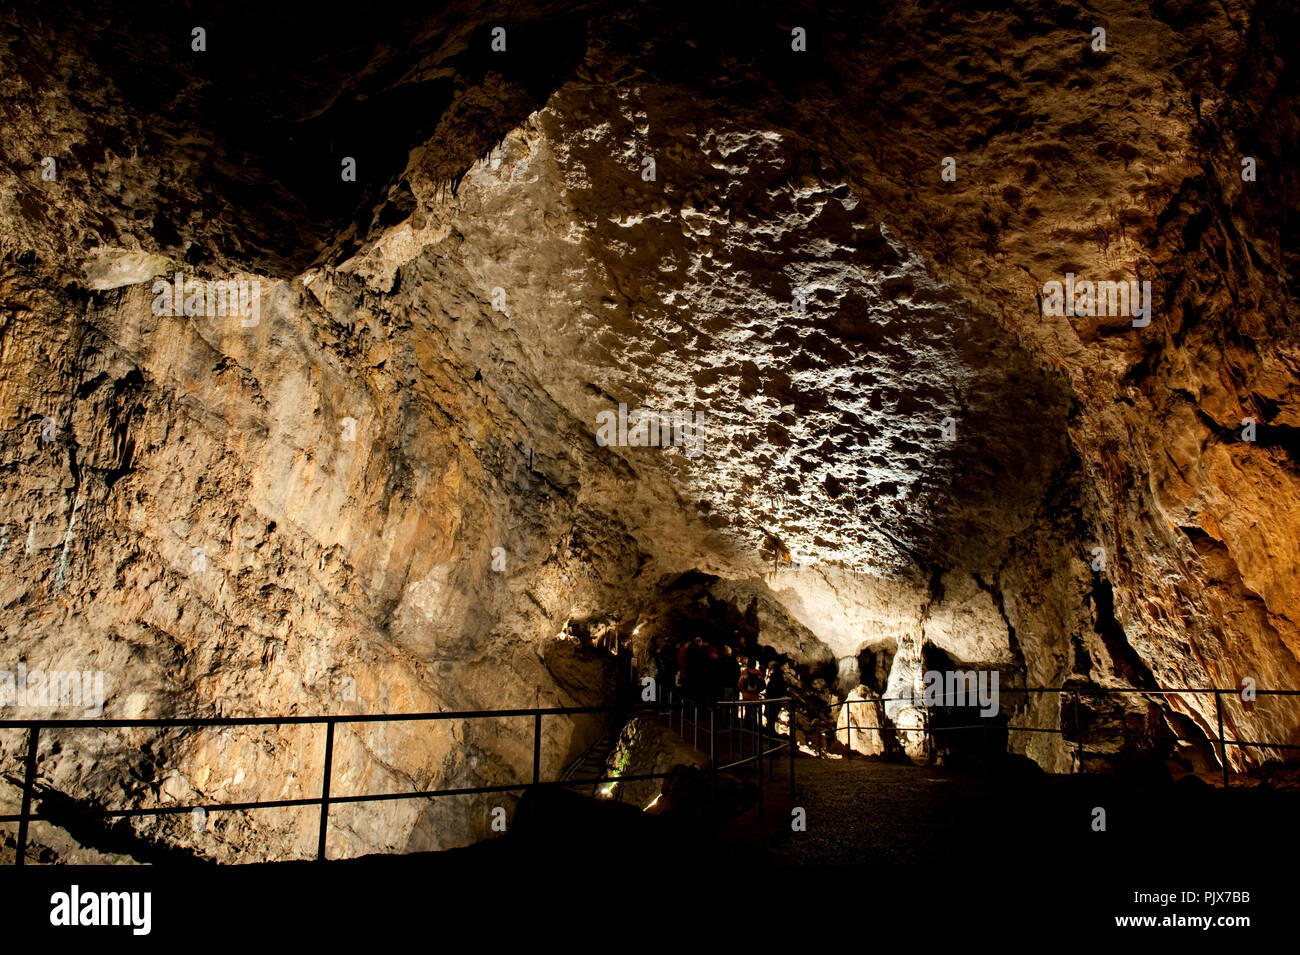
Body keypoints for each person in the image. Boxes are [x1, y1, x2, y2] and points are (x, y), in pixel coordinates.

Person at [738, 657, 764, 732]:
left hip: (746, 696)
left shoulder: (744, 672)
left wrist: (743, 691)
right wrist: (758, 691)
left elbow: (740, 684)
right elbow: (763, 685)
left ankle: (746, 728)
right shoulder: (758, 673)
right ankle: (754, 728)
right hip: (755, 697)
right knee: (755, 713)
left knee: (747, 712)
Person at [764, 658, 788, 734]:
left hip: (772, 700)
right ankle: (772, 731)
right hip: (777, 700)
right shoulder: (781, 677)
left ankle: (770, 731)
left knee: (771, 716)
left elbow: (770, 689)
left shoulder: (774, 678)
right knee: (773, 716)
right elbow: (783, 689)